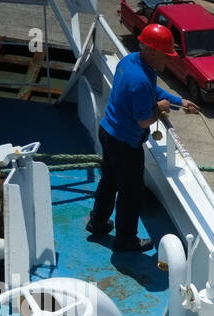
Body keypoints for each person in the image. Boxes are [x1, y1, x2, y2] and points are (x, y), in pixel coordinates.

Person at [87, 23, 199, 252]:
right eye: (166, 56)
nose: (168, 61)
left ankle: (97, 222)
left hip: (108, 132)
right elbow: (144, 120)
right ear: (152, 52)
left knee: (109, 181)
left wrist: (178, 102)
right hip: (125, 144)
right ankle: (126, 240)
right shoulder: (138, 80)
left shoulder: (131, 61)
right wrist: (161, 108)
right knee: (131, 193)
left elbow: (153, 91)